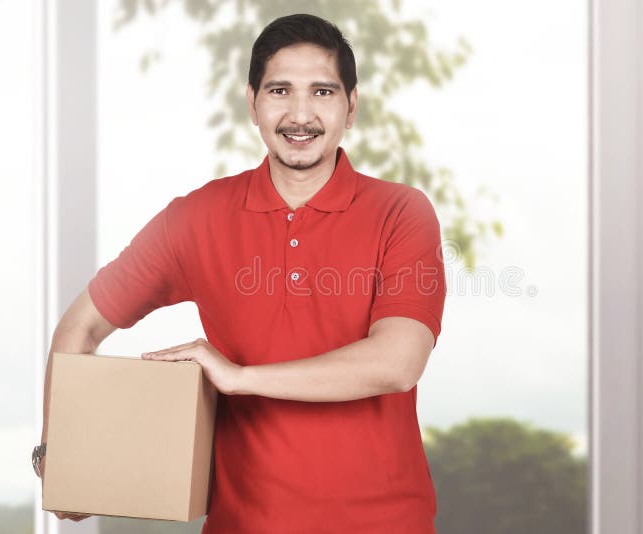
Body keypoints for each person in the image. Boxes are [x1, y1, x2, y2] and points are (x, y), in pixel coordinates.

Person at [35, 13, 446, 533]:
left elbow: (398, 362)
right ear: (252, 103)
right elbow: (81, 325)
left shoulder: (401, 212)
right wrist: (60, 454)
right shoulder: (197, 218)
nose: (301, 114)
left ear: (351, 107)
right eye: (279, 90)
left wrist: (239, 377)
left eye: (322, 92)